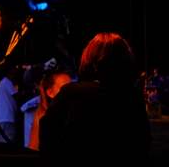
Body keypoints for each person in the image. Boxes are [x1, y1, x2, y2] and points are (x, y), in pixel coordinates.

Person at [39, 32, 150, 163]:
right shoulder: (132, 96)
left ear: (89, 58)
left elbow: (48, 138)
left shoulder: (71, 93)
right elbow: (142, 144)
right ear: (125, 60)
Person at [25, 68, 72, 149]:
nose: (71, 91)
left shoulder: (71, 111)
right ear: (50, 92)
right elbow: (34, 148)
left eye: (72, 87)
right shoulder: (44, 116)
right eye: (65, 88)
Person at [0, 64, 21, 145]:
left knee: (4, 142)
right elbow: (17, 97)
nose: (16, 72)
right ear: (10, 71)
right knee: (9, 143)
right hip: (7, 118)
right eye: (14, 69)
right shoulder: (7, 82)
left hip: (3, 118)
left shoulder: (3, 82)